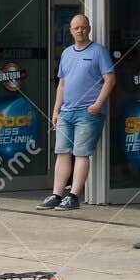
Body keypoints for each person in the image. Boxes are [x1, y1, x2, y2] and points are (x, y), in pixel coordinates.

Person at [39, 13, 115, 212]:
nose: (80, 30)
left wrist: (98, 104)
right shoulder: (66, 53)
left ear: (88, 28)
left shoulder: (99, 51)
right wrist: (56, 111)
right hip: (66, 111)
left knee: (81, 154)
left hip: (88, 112)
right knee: (62, 153)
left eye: (83, 27)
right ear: (70, 31)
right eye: (76, 28)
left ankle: (73, 196)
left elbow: (110, 79)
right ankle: (57, 195)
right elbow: (62, 84)